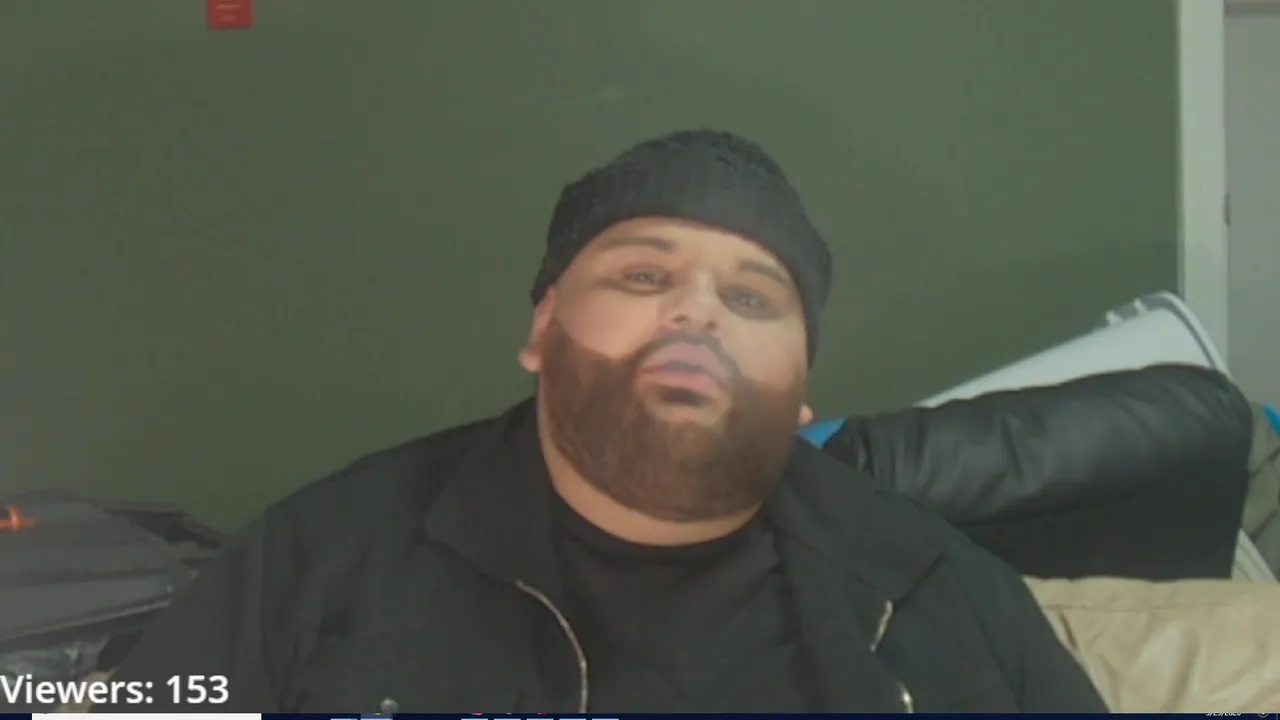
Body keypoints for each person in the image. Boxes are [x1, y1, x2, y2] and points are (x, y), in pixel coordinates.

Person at [96, 130, 1108, 714]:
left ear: (802, 390)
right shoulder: (316, 558)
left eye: (751, 298)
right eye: (643, 276)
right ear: (543, 329)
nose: (698, 312)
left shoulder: (941, 595)